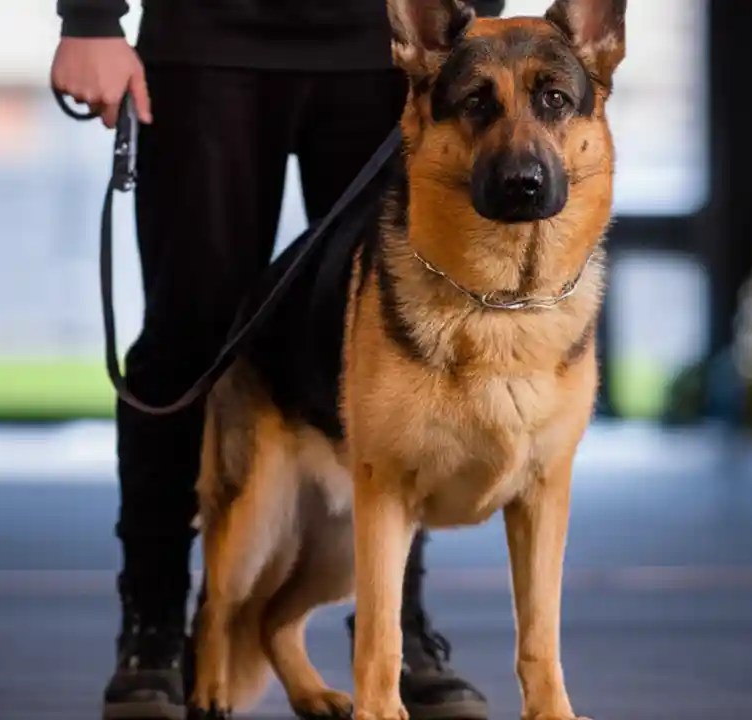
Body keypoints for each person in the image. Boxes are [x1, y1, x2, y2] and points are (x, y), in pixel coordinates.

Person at [49, 1, 501, 718]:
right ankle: (155, 632)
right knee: (187, 339)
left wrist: (473, 20)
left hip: (392, 43)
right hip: (206, 41)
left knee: (397, 346)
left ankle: (397, 633)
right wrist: (92, 21)